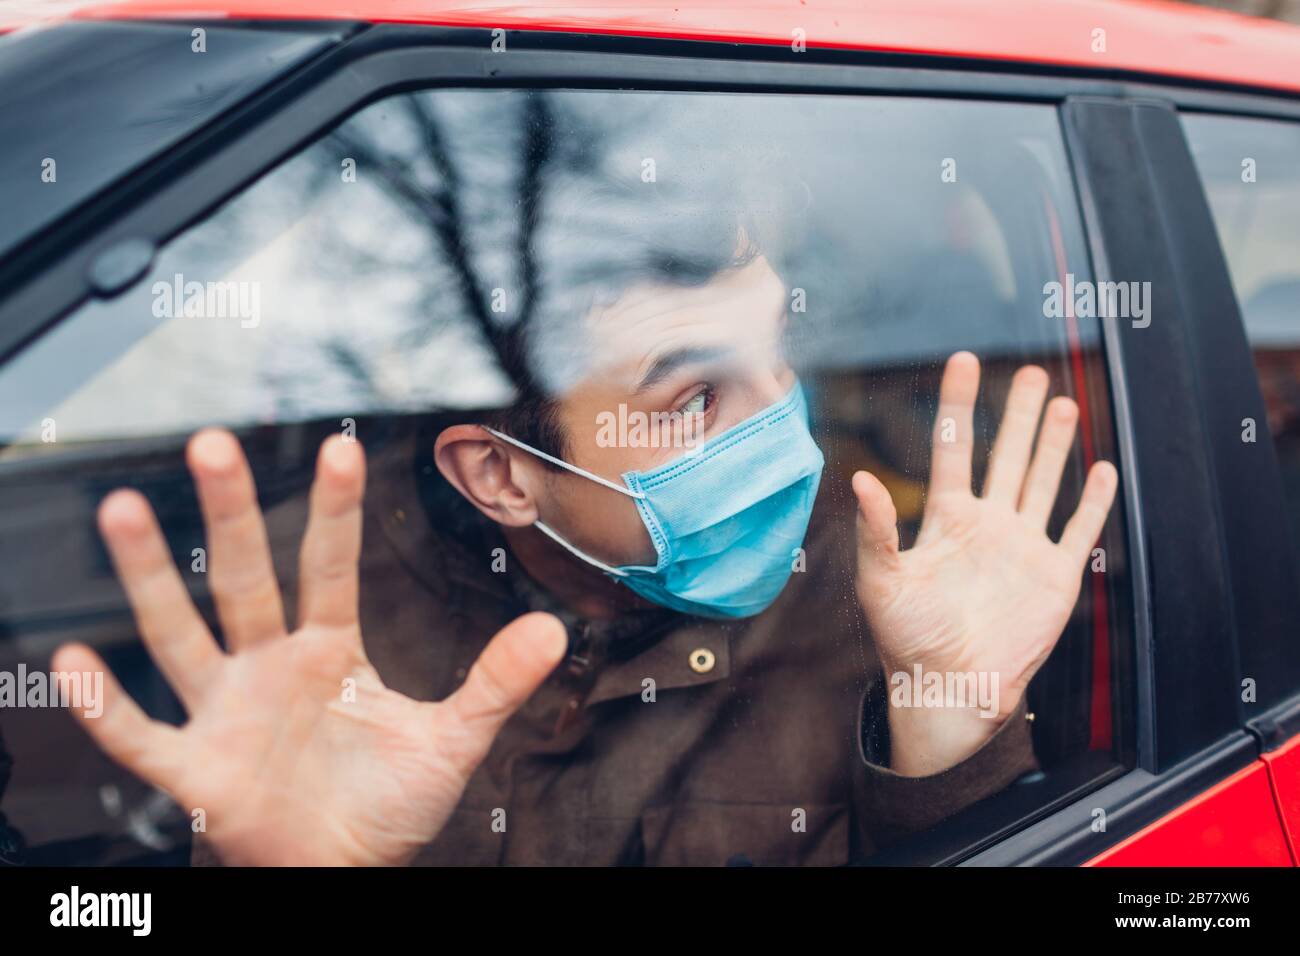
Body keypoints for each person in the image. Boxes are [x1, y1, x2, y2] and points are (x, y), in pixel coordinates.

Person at [54, 191, 1117, 866]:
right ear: (502, 474)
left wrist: (948, 740)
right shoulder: (300, 611)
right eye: (696, 399)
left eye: (779, 354)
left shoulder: (877, 596)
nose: (790, 437)